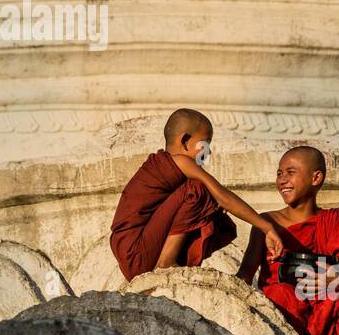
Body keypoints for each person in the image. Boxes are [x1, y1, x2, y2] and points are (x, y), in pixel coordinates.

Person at [236, 146, 339, 335]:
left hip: (330, 311)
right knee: (281, 294)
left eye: (290, 172)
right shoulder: (265, 225)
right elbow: (244, 278)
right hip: (286, 313)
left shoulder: (338, 221)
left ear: (316, 178)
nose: (282, 180)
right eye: (279, 173)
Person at [109, 108, 284, 282]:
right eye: (206, 144)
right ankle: (166, 262)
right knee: (198, 189)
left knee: (218, 220)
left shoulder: (170, 166)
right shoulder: (180, 161)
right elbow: (222, 196)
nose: (208, 152)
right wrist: (266, 226)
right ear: (185, 141)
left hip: (136, 253)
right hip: (136, 251)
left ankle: (174, 260)